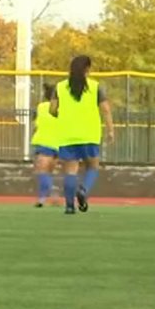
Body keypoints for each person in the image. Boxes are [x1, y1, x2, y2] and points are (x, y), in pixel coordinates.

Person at [51, 55, 115, 215]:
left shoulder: (59, 87)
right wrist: (110, 130)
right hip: (89, 134)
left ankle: (69, 206)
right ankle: (84, 190)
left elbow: (52, 110)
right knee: (93, 166)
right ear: (87, 69)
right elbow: (106, 109)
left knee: (70, 170)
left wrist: (63, 115)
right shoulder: (95, 87)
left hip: (67, 135)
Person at [31, 83, 61, 208]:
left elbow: (36, 124)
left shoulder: (42, 107)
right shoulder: (64, 109)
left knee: (42, 171)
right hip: (59, 145)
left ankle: (51, 195)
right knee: (47, 172)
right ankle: (42, 199)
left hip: (44, 142)